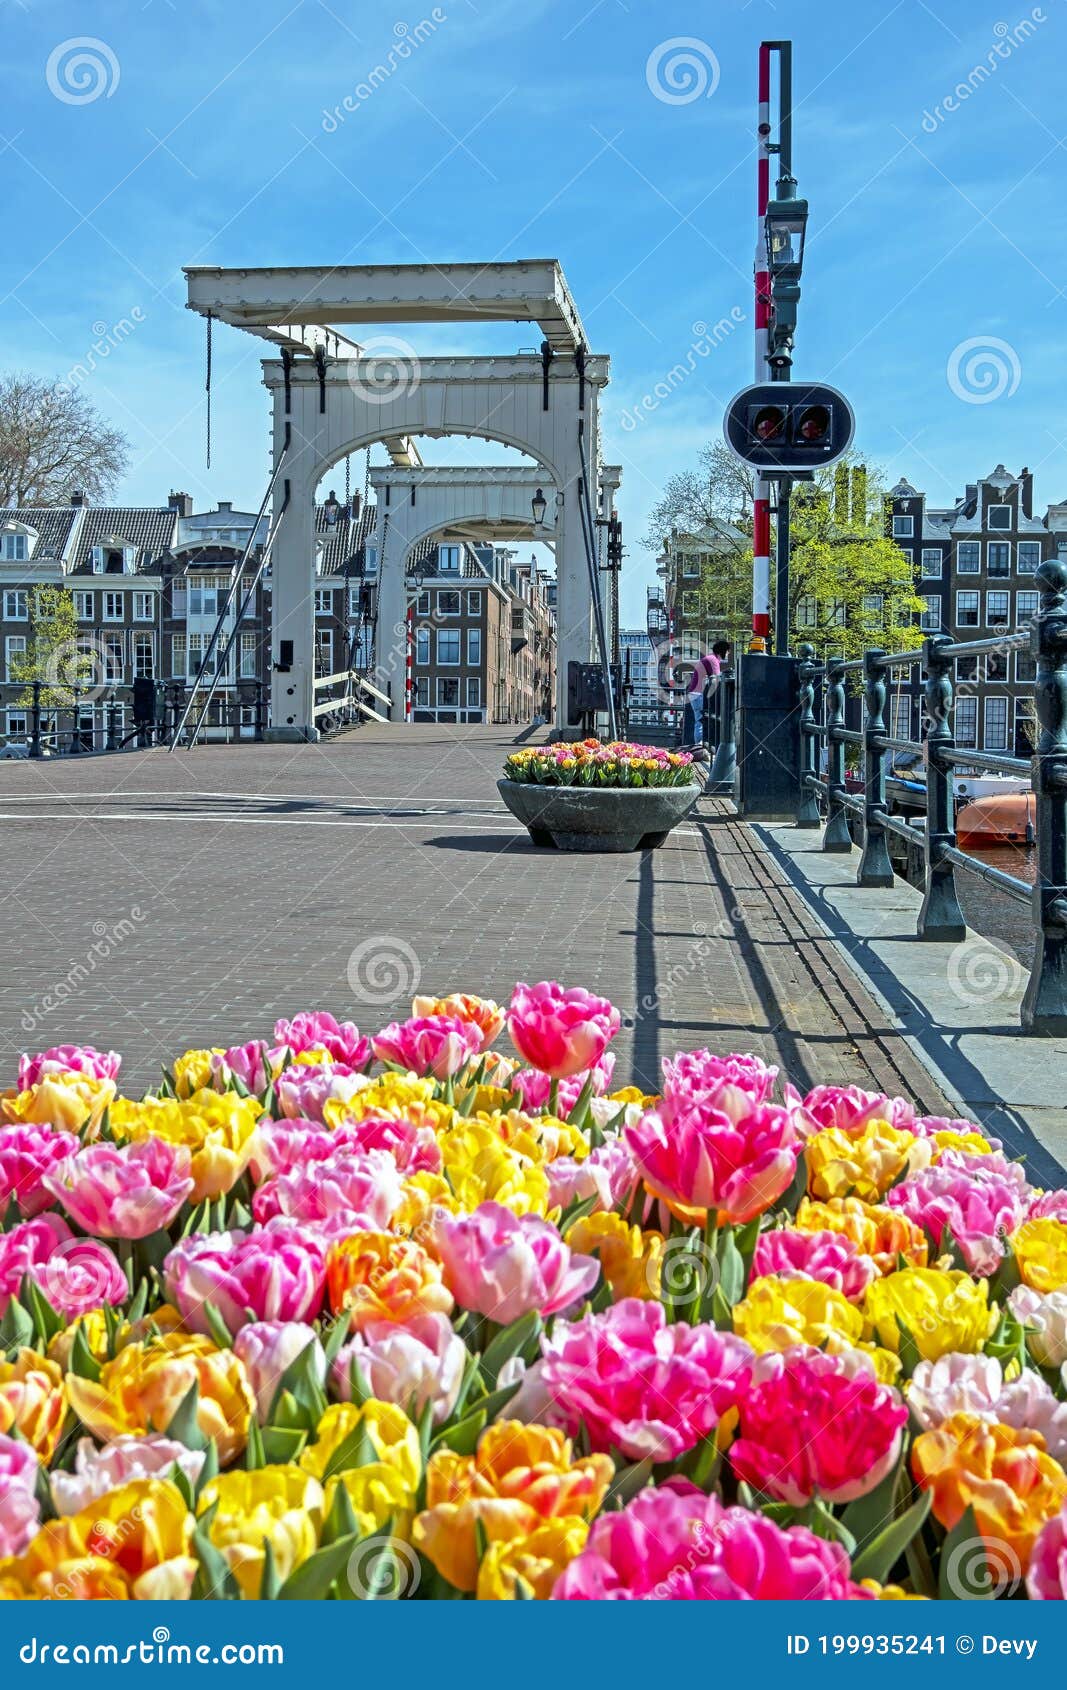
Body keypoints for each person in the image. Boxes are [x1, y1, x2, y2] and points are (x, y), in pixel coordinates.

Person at [681, 640, 731, 749]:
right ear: (722, 650)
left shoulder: (709, 658)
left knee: (699, 720)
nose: (728, 654)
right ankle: (699, 747)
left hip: (695, 692)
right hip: (698, 693)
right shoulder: (713, 660)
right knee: (701, 721)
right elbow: (716, 679)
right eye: (727, 651)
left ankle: (699, 746)